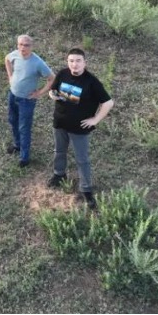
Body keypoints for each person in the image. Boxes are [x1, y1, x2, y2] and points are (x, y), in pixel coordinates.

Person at [46, 48, 114, 209]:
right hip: (60, 122)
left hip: (79, 128)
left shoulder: (91, 81)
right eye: (71, 61)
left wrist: (95, 119)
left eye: (78, 61)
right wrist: (52, 95)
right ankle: (59, 174)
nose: (74, 64)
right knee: (59, 151)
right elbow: (52, 90)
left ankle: (86, 189)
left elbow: (108, 103)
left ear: (84, 63)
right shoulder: (63, 74)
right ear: (67, 62)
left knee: (82, 160)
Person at [4, 34, 55, 167]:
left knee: (24, 127)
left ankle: (24, 157)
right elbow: (7, 60)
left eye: (26, 45)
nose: (23, 47)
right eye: (20, 44)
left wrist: (40, 92)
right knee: (12, 120)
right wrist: (10, 77)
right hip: (13, 95)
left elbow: (52, 78)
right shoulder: (14, 54)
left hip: (26, 100)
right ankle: (17, 145)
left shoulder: (37, 62)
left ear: (31, 47)